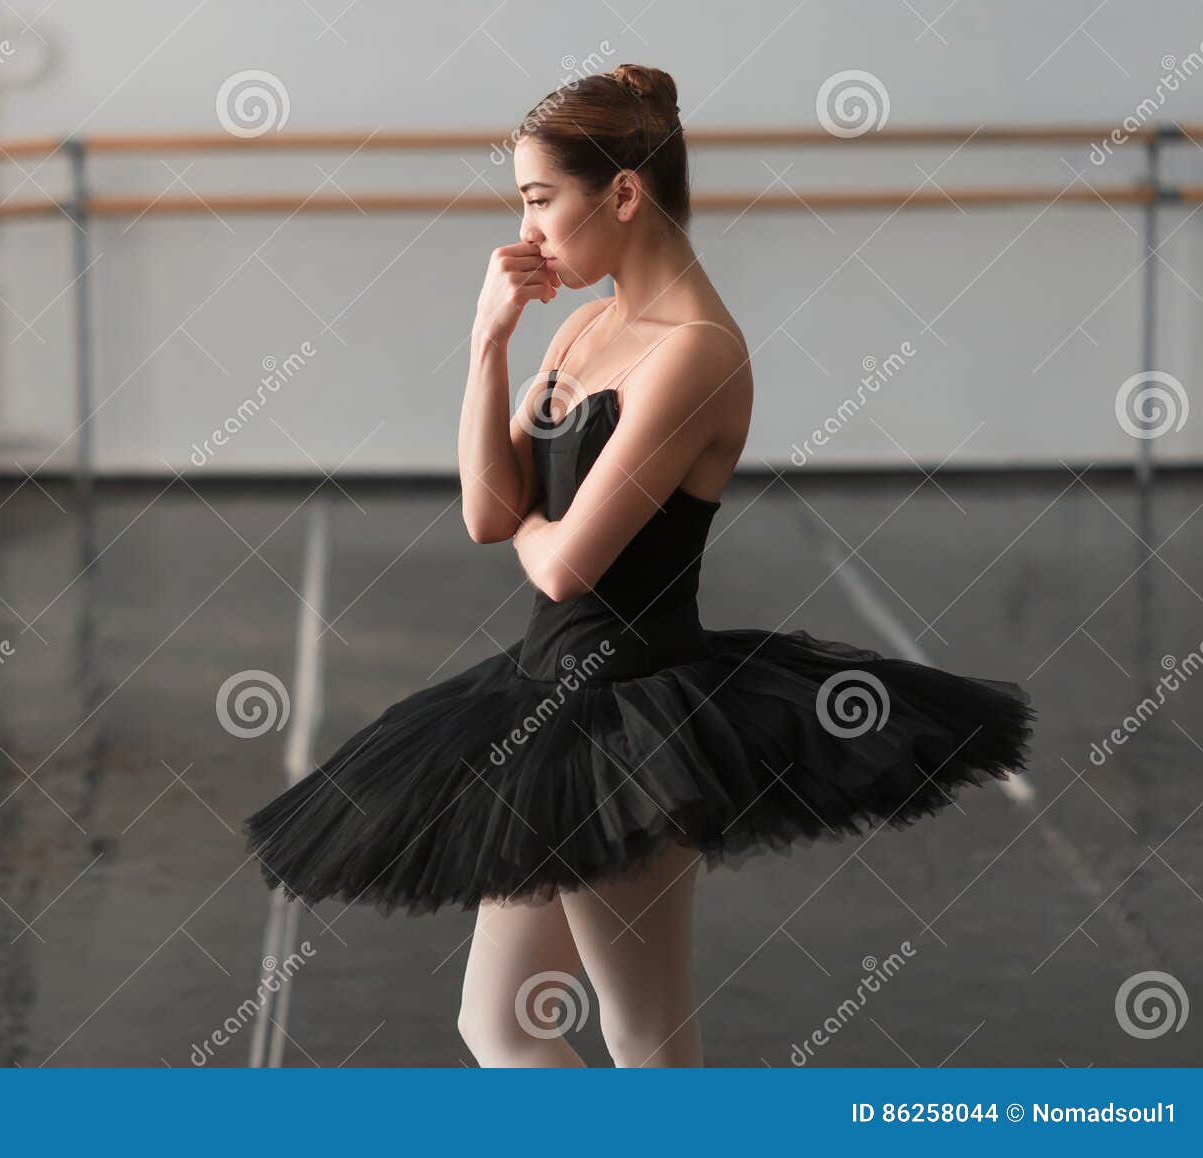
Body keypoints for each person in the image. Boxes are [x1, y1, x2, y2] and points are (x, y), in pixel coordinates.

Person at [241, 63, 1035, 1068]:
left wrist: (536, 526)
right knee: (495, 1024)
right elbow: (490, 512)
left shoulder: (695, 353)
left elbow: (565, 568)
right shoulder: (582, 326)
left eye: (539, 201)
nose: (525, 233)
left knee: (643, 1034)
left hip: (633, 717)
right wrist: (487, 341)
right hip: (542, 700)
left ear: (623, 191)